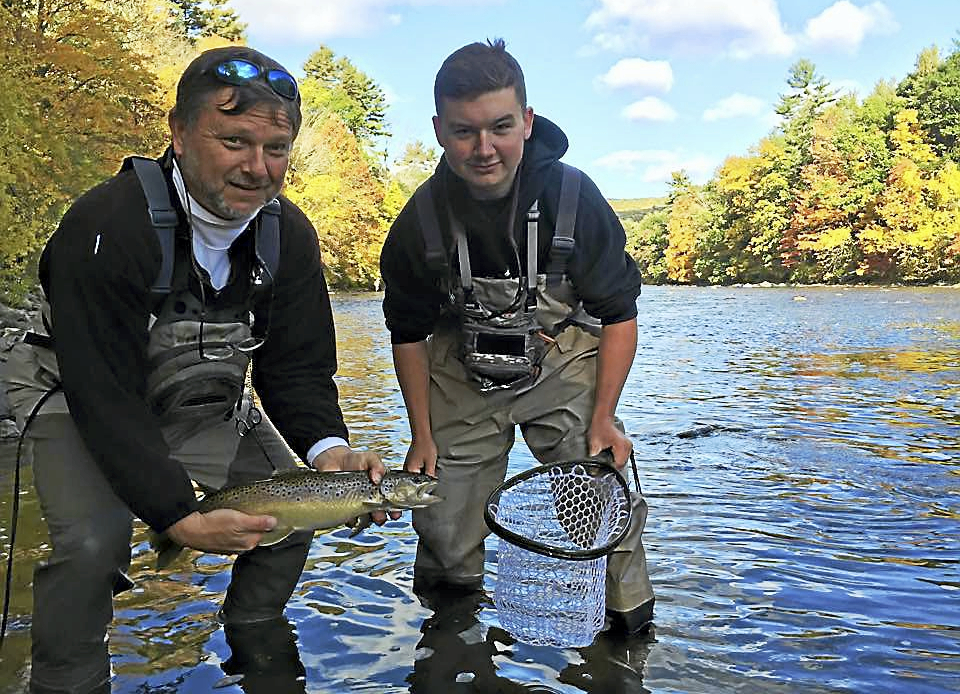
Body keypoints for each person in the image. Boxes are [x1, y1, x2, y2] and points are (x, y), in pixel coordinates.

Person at [3, 45, 390, 694]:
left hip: (196, 397)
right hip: (74, 393)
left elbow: (296, 370)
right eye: (234, 140)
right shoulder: (106, 226)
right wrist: (177, 514)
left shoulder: (287, 236)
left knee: (297, 508)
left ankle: (255, 641)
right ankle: (66, 682)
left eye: (276, 148)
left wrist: (330, 453)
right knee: (94, 547)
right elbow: (105, 394)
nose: (257, 167)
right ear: (179, 135)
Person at [379, 39, 655, 638]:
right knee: (443, 526)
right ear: (438, 130)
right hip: (458, 376)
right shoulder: (417, 221)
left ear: (527, 122)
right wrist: (420, 435)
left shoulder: (575, 200)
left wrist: (605, 418)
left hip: (561, 362)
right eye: (464, 131)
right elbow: (407, 332)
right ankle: (451, 640)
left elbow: (619, 315)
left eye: (500, 127)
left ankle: (627, 642)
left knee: (601, 505)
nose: (484, 149)